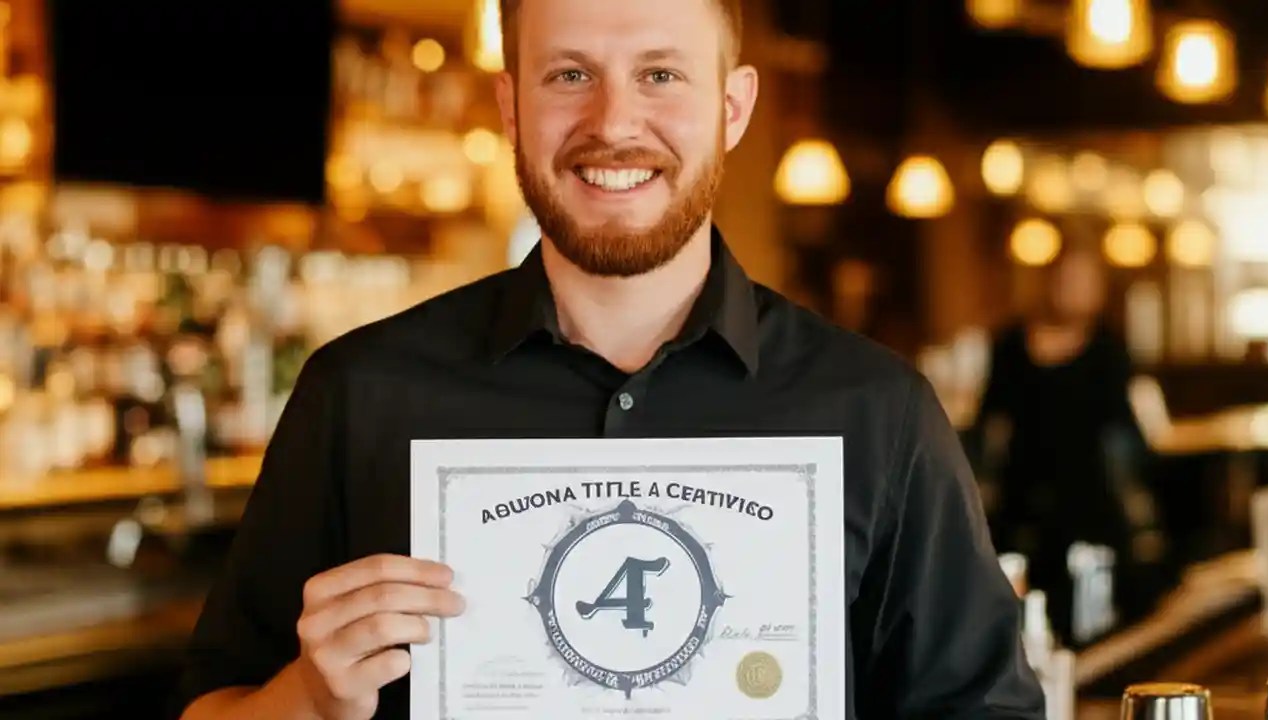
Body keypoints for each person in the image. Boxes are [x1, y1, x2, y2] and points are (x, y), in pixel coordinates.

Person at [175, 0, 1045, 717]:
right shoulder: (361, 394)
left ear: (732, 108)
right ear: (512, 107)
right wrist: (308, 699)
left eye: (660, 75)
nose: (613, 123)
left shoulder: (877, 411)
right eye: (569, 75)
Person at [973, 249, 1154, 644]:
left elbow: (1126, 436)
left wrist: (1139, 509)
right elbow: (989, 425)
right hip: (1020, 507)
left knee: (1093, 626)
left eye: (1083, 282)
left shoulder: (1109, 349)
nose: (1072, 291)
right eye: (1065, 279)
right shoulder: (1009, 345)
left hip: (1089, 504)